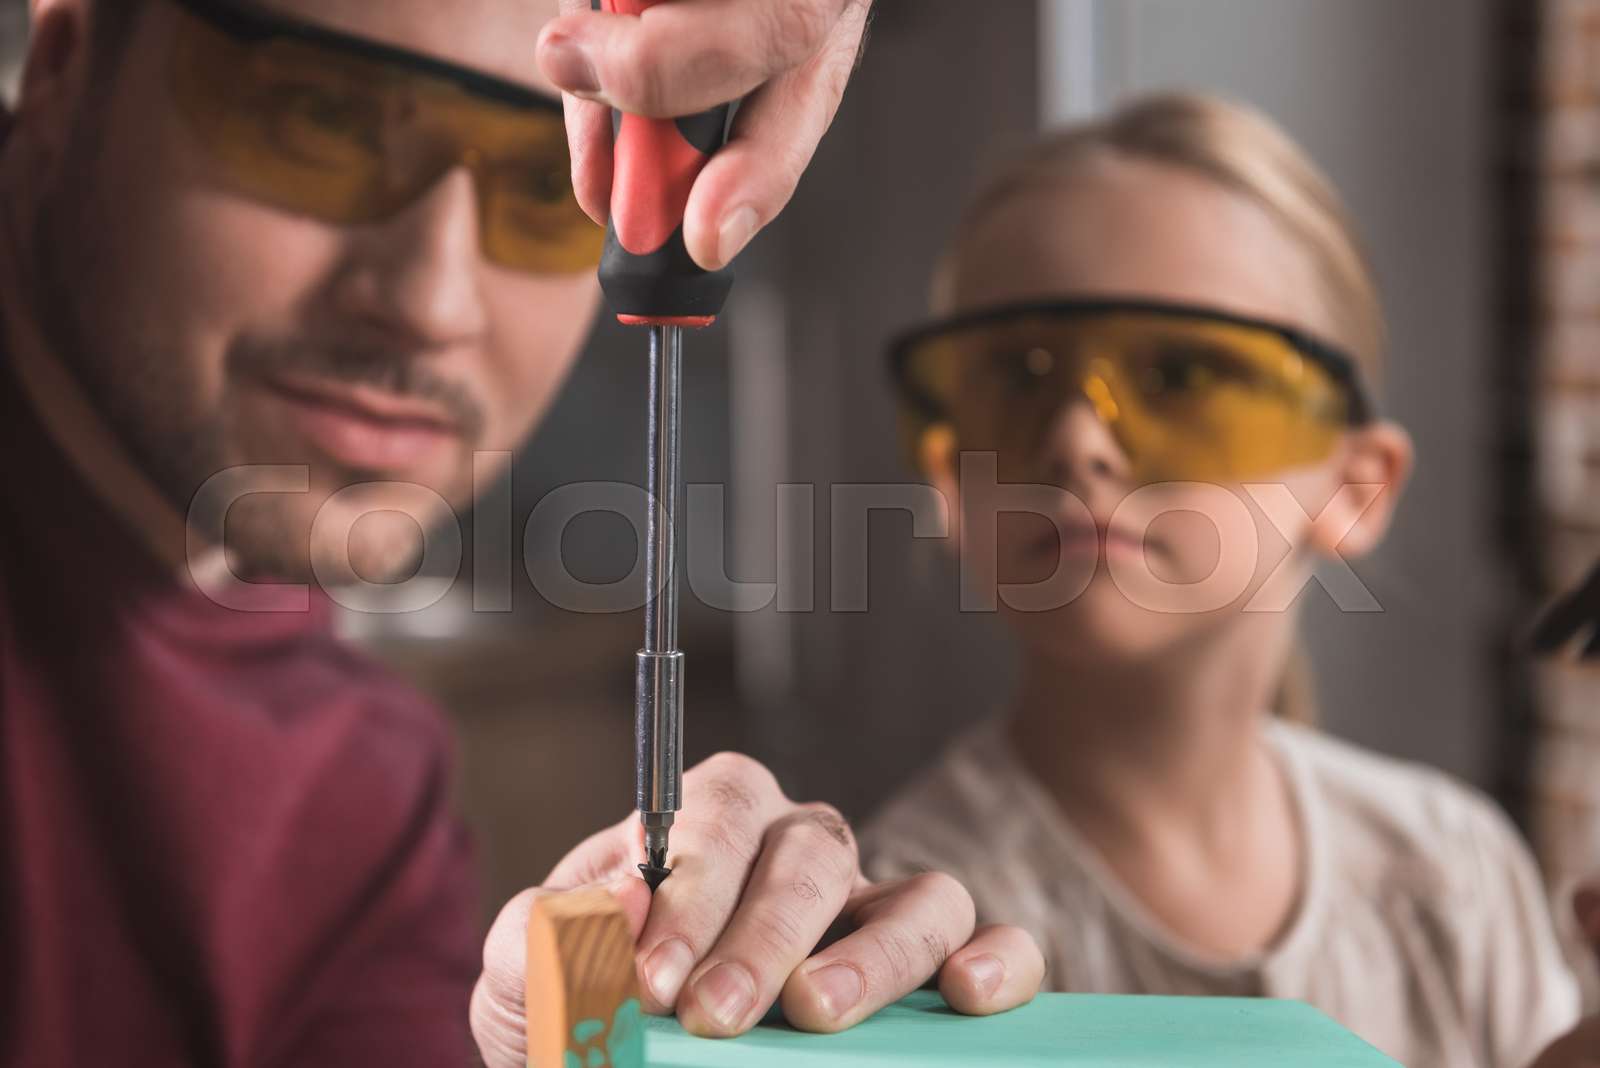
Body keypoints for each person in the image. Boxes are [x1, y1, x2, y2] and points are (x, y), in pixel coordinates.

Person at [0, 0, 1044, 1063]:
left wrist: (582, 1043)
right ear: (63, 59)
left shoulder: (360, 797)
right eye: (319, 118)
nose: (432, 302)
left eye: (546, 183)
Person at [851, 93, 1597, 1068]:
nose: (1075, 440)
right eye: (1018, 377)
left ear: (1355, 488)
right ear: (949, 477)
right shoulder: (904, 931)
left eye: (1184, 376)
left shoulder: (1452, 870)